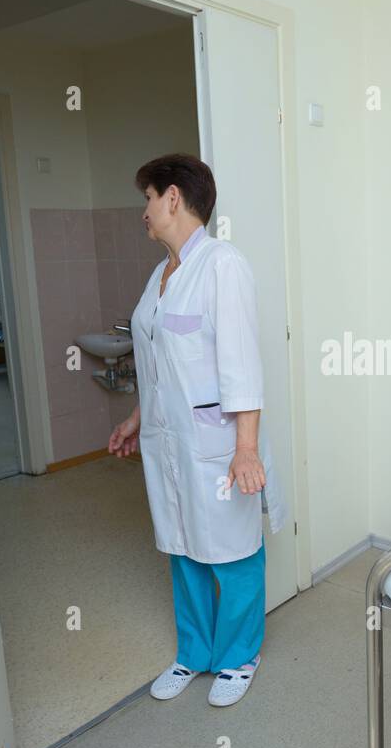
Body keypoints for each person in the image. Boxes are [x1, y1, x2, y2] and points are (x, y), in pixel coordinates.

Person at [108, 154, 286, 707]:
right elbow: (159, 362)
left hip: (218, 443)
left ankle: (238, 658)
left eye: (148, 197)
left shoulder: (221, 264)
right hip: (168, 441)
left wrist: (247, 449)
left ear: (174, 199)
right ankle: (194, 654)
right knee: (180, 545)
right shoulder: (159, 276)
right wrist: (138, 418)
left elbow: (241, 365)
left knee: (232, 550)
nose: (144, 210)